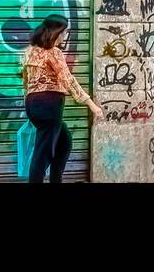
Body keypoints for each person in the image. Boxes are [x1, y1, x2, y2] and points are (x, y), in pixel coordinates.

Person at [21, 14, 103, 183]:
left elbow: (26, 80)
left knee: (64, 142)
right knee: (42, 154)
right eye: (64, 33)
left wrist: (31, 107)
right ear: (55, 33)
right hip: (49, 105)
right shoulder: (54, 52)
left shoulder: (30, 51)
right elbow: (68, 80)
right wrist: (91, 105)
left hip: (33, 104)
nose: (65, 37)